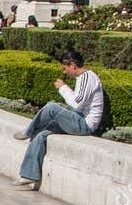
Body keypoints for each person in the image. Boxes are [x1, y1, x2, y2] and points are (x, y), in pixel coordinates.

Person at [11, 48, 105, 187]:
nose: (64, 71)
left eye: (65, 67)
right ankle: (28, 175)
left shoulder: (87, 77)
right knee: (41, 133)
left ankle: (27, 131)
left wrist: (63, 88)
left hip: (84, 125)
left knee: (51, 107)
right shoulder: (82, 78)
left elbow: (77, 104)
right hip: (77, 120)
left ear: (73, 65)